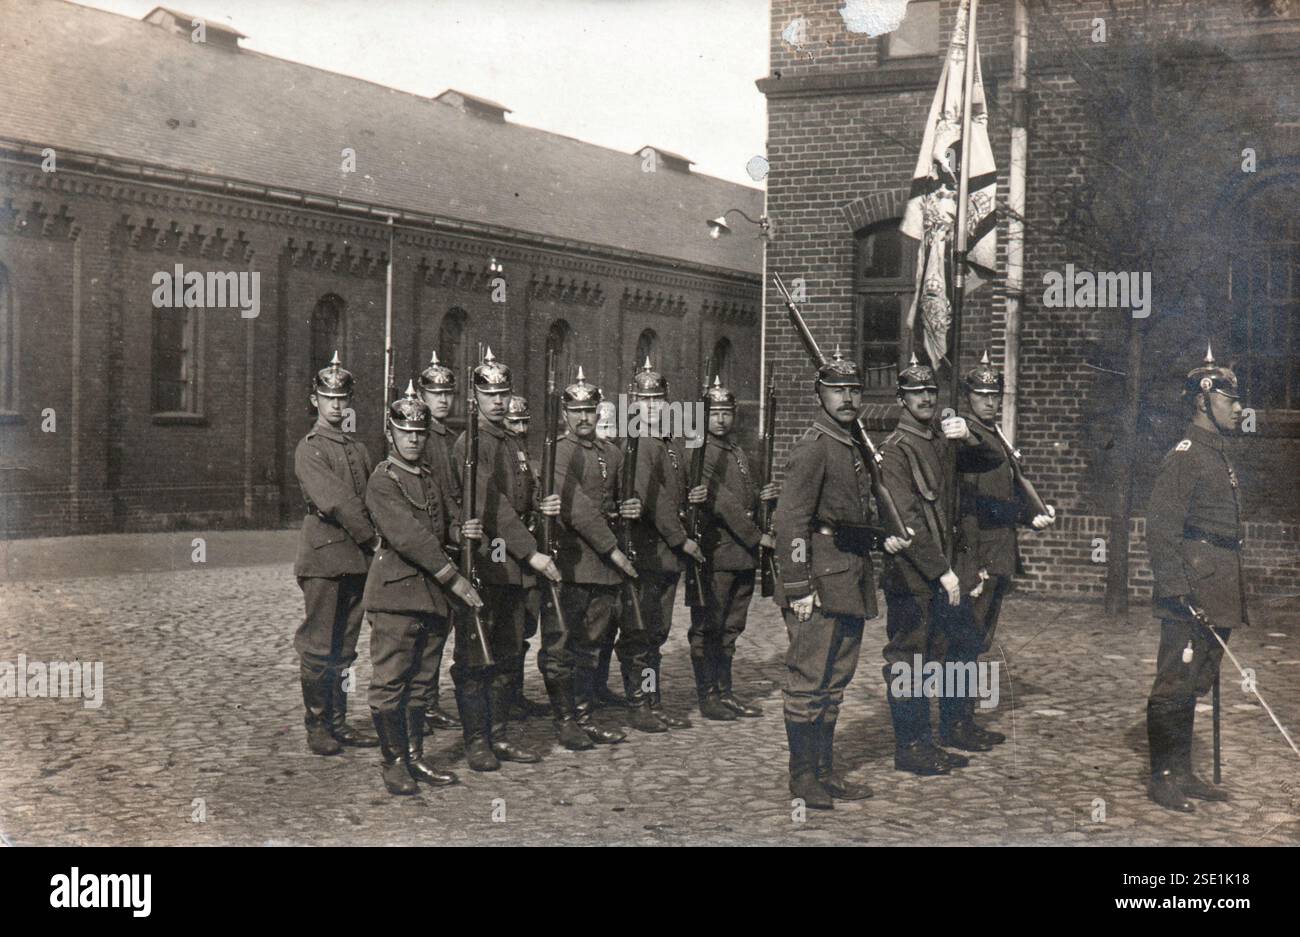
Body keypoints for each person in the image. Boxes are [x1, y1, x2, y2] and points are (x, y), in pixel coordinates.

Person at [772, 348, 909, 809]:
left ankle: (826, 771)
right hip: (817, 580)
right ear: (820, 395)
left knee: (835, 681)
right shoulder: (815, 446)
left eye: (854, 390)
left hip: (849, 575)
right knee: (809, 679)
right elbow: (790, 522)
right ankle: (803, 776)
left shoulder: (851, 444)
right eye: (838, 390)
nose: (847, 398)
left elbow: (851, 514)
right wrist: (797, 587)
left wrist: (879, 538)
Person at [877, 354, 1002, 777]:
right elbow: (906, 518)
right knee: (908, 658)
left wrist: (968, 435)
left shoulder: (939, 439)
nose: (927, 398)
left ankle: (941, 733)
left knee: (945, 650)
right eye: (916, 393)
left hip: (943, 566)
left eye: (931, 391)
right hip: (913, 573)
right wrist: (940, 570)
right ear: (901, 399)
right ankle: (911, 746)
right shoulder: (897, 450)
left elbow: (991, 459)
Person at [363, 382, 481, 795]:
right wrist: (454, 577)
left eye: (419, 433)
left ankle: (415, 756)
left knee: (421, 682)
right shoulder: (383, 480)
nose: (413, 439)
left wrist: (460, 529)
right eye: (405, 432)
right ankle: (393, 761)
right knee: (391, 681)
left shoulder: (428, 477)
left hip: (430, 597)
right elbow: (409, 537)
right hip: (396, 596)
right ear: (390, 434)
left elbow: (440, 524)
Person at [1144, 345, 1244, 812]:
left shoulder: (1216, 453)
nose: (1239, 408)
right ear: (1203, 400)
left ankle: (1184, 770)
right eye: (1230, 400)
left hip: (1216, 584)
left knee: (1197, 679)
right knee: (1175, 680)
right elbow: (1162, 528)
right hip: (1191, 588)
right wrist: (1177, 590)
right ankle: (1163, 775)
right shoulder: (1185, 454)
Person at [450, 349, 551, 771]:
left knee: (509, 653)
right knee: (477, 656)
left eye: (502, 394)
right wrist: (532, 552)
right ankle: (476, 741)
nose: (497, 401)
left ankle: (500, 734)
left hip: (511, 569)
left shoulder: (510, 442)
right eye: (488, 393)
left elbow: (522, 495)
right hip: (485, 565)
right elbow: (492, 508)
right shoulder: (470, 443)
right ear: (474, 395)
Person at [948, 351, 1054, 750]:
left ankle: (965, 719)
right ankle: (955, 724)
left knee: (977, 641)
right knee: (963, 642)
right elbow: (968, 505)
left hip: (999, 551)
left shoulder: (994, 436)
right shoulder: (967, 439)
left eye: (995, 396)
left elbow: (1003, 496)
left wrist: (1029, 516)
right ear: (967, 397)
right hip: (979, 553)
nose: (990, 402)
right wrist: (970, 565)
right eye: (981, 395)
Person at [292, 352, 380, 756]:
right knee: (318, 645)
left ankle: (340, 721)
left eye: (343, 399)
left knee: (345, 647)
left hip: (357, 561)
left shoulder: (358, 450)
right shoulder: (310, 449)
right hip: (325, 558)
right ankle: (318, 724)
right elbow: (337, 502)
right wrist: (372, 537)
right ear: (315, 401)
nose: (337, 406)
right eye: (329, 399)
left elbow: (372, 497)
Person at [547, 367, 640, 747]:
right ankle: (566, 720)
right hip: (573, 562)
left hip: (603, 569)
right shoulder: (559, 452)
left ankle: (586, 715)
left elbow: (613, 502)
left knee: (593, 645)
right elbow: (576, 507)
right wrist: (614, 549)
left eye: (590, 410)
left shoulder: (612, 453)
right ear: (564, 414)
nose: (584, 417)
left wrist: (629, 508)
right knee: (563, 645)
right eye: (576, 411)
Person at [616, 359, 703, 731]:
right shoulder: (637, 445)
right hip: (648, 551)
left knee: (656, 632)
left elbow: (674, 495)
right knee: (641, 631)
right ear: (634, 405)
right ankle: (639, 704)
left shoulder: (668, 444)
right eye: (645, 402)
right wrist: (682, 540)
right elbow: (654, 503)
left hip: (665, 556)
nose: (652, 408)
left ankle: (652, 699)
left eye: (658, 401)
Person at [687, 376, 779, 721]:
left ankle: (725, 692)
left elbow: (745, 497)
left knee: (731, 627)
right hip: (718, 553)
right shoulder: (701, 452)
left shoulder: (737, 451)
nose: (721, 419)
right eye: (714, 413)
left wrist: (765, 496)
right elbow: (722, 503)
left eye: (726, 412)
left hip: (740, 556)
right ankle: (708, 695)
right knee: (709, 625)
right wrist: (758, 537)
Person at [414, 350, 464, 732]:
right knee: (424, 629)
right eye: (435, 394)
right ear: (422, 397)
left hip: (453, 537)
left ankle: (427, 701)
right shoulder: (419, 437)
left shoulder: (452, 437)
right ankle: (420, 703)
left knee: (441, 628)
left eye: (448, 393)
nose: (443, 399)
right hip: (430, 543)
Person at [501, 392, 551, 720]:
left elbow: (528, 491)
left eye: (523, 422)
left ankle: (514, 695)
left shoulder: (521, 450)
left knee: (523, 628)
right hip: (503, 549)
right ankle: (501, 701)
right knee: (505, 628)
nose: (519, 428)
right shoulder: (498, 449)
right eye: (513, 422)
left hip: (525, 541)